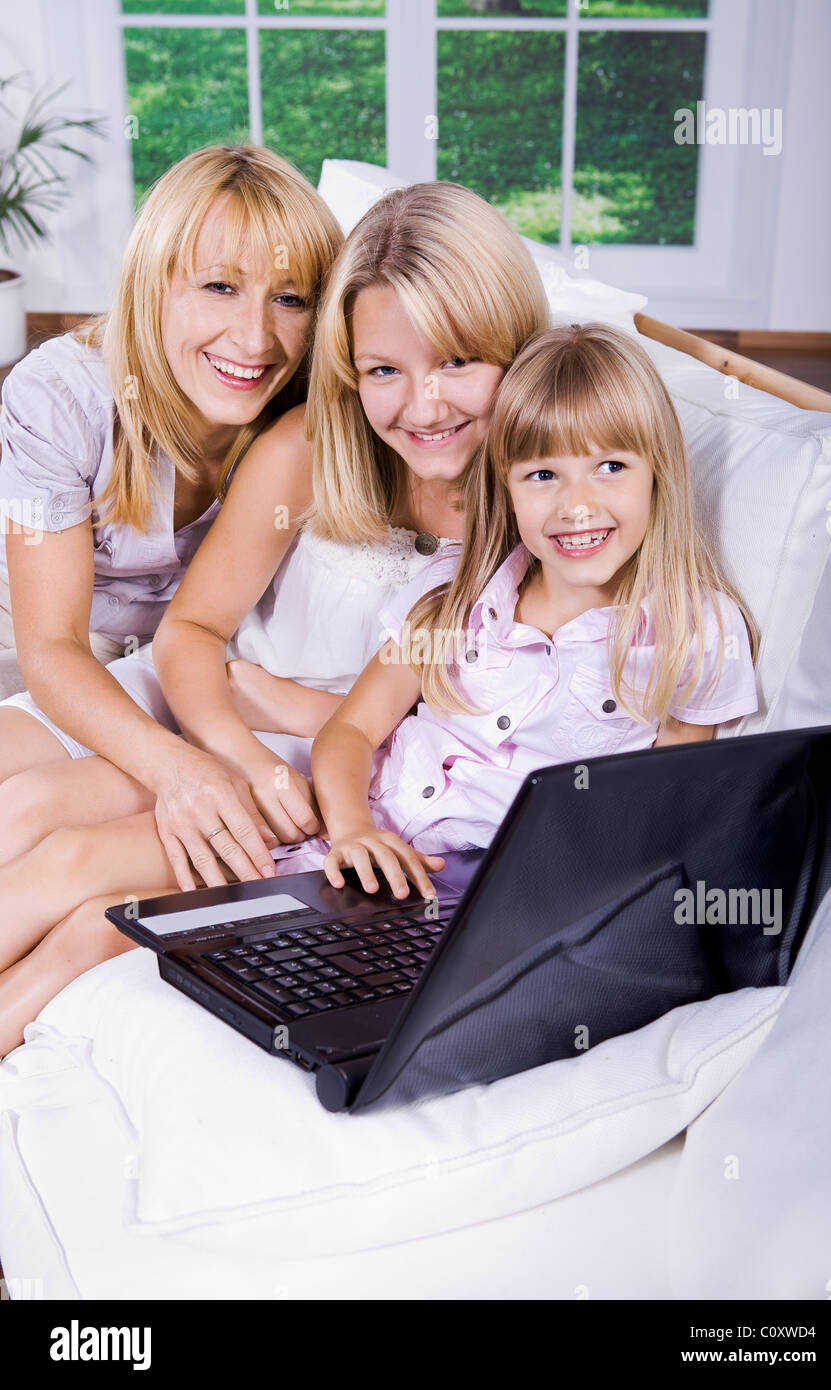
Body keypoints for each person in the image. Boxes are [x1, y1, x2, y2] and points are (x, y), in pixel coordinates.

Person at [0, 182, 550, 1056]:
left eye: (457, 361)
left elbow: (487, 712)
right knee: (16, 801)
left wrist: (281, 709)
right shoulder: (308, 449)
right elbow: (186, 635)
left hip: (329, 761)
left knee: (59, 847)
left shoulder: (544, 503)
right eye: (384, 371)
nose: (423, 404)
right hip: (203, 695)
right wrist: (238, 736)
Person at [294, 319, 762, 900]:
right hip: (354, 847)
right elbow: (351, 730)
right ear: (506, 487)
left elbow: (662, 820)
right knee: (164, 904)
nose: (578, 506)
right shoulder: (454, 595)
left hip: (500, 898)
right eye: (543, 475)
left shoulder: (694, 633)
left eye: (611, 467)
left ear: (658, 474)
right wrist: (353, 829)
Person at [0, 143, 343, 859]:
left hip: (200, 663)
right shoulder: (59, 396)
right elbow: (51, 648)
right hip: (60, 637)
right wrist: (178, 769)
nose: (254, 338)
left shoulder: (317, 420)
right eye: (219, 287)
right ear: (152, 284)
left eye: (289, 298)